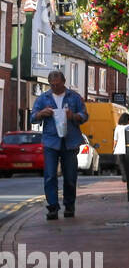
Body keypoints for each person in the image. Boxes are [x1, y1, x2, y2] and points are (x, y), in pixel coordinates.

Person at [32, 69, 89, 220]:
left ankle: (69, 206)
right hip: (51, 142)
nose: (55, 87)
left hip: (70, 142)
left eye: (57, 84)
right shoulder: (43, 98)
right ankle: (52, 208)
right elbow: (33, 117)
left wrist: (74, 116)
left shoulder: (74, 97)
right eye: (52, 85)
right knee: (50, 176)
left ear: (63, 82)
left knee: (70, 177)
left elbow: (85, 116)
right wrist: (41, 113)